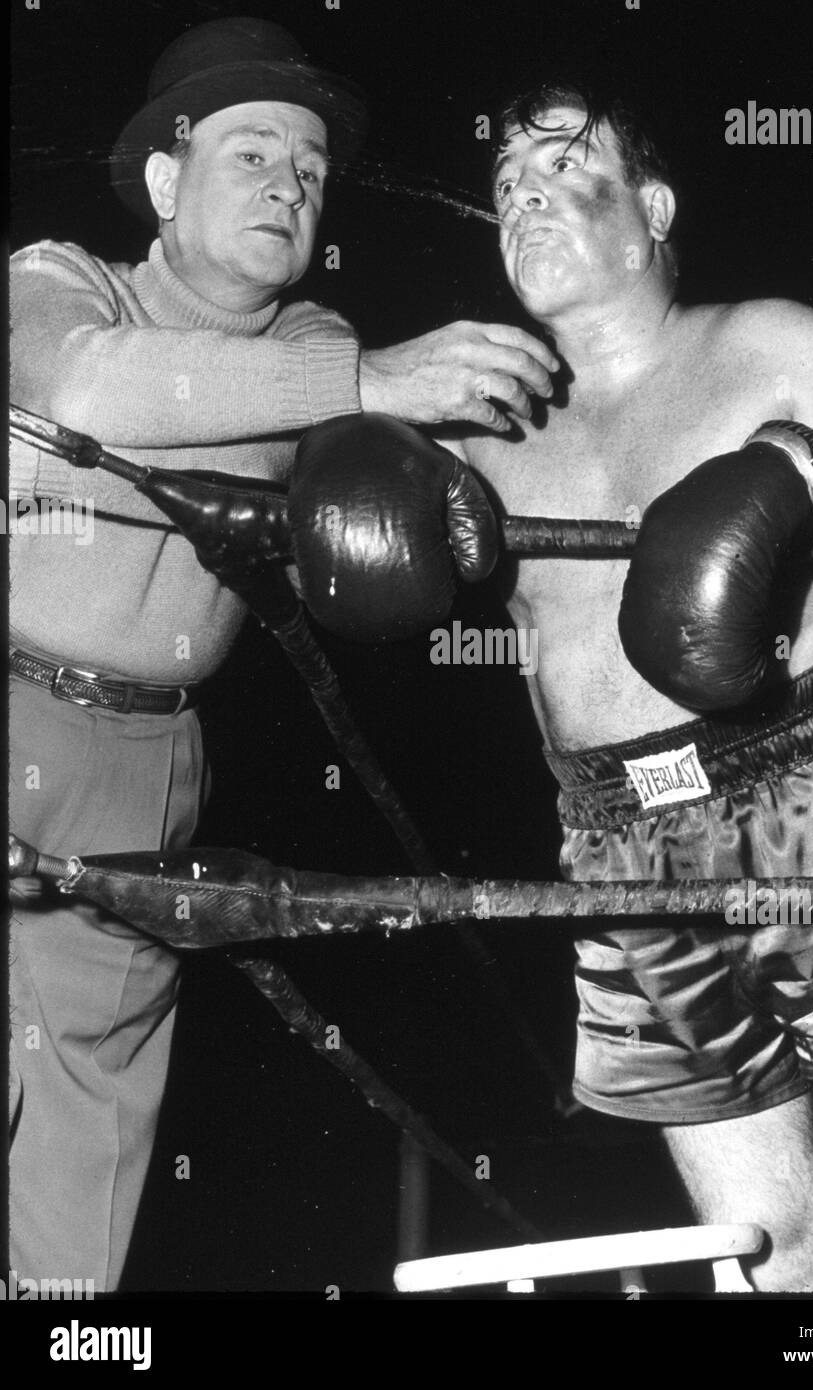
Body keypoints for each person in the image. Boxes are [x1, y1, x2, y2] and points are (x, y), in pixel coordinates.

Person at [310, 81, 813, 1292]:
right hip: (619, 845)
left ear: (650, 208)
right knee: (758, 1253)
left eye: (562, 167)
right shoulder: (478, 425)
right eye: (507, 185)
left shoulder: (764, 342)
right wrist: (356, 435)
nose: (523, 197)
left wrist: (810, 479)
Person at [6, 17, 558, 1293]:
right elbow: (85, 391)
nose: (288, 185)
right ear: (165, 181)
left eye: (309, 169)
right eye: (251, 152)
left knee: (87, 1132)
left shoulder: (313, 343)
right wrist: (376, 383)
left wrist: (428, 487)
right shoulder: (59, 282)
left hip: (149, 758)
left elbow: (353, 482)